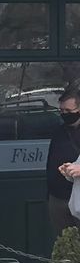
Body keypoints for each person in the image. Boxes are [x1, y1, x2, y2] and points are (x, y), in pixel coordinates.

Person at [48, 88, 80, 236]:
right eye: (61, 110)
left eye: (68, 110)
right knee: (64, 246)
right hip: (58, 197)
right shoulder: (59, 131)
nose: (64, 114)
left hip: (77, 197)